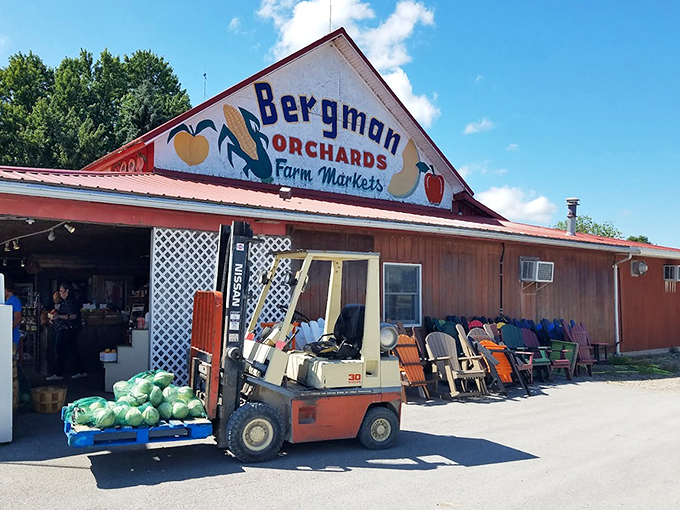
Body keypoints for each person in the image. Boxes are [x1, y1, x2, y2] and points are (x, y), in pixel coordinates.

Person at [46, 283, 87, 381]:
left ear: (67, 291)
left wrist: (58, 317)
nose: (60, 293)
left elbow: (73, 316)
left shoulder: (70, 302)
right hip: (64, 328)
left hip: (66, 329)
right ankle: (80, 371)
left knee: (60, 351)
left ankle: (59, 373)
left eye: (61, 291)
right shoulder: (65, 301)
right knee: (71, 350)